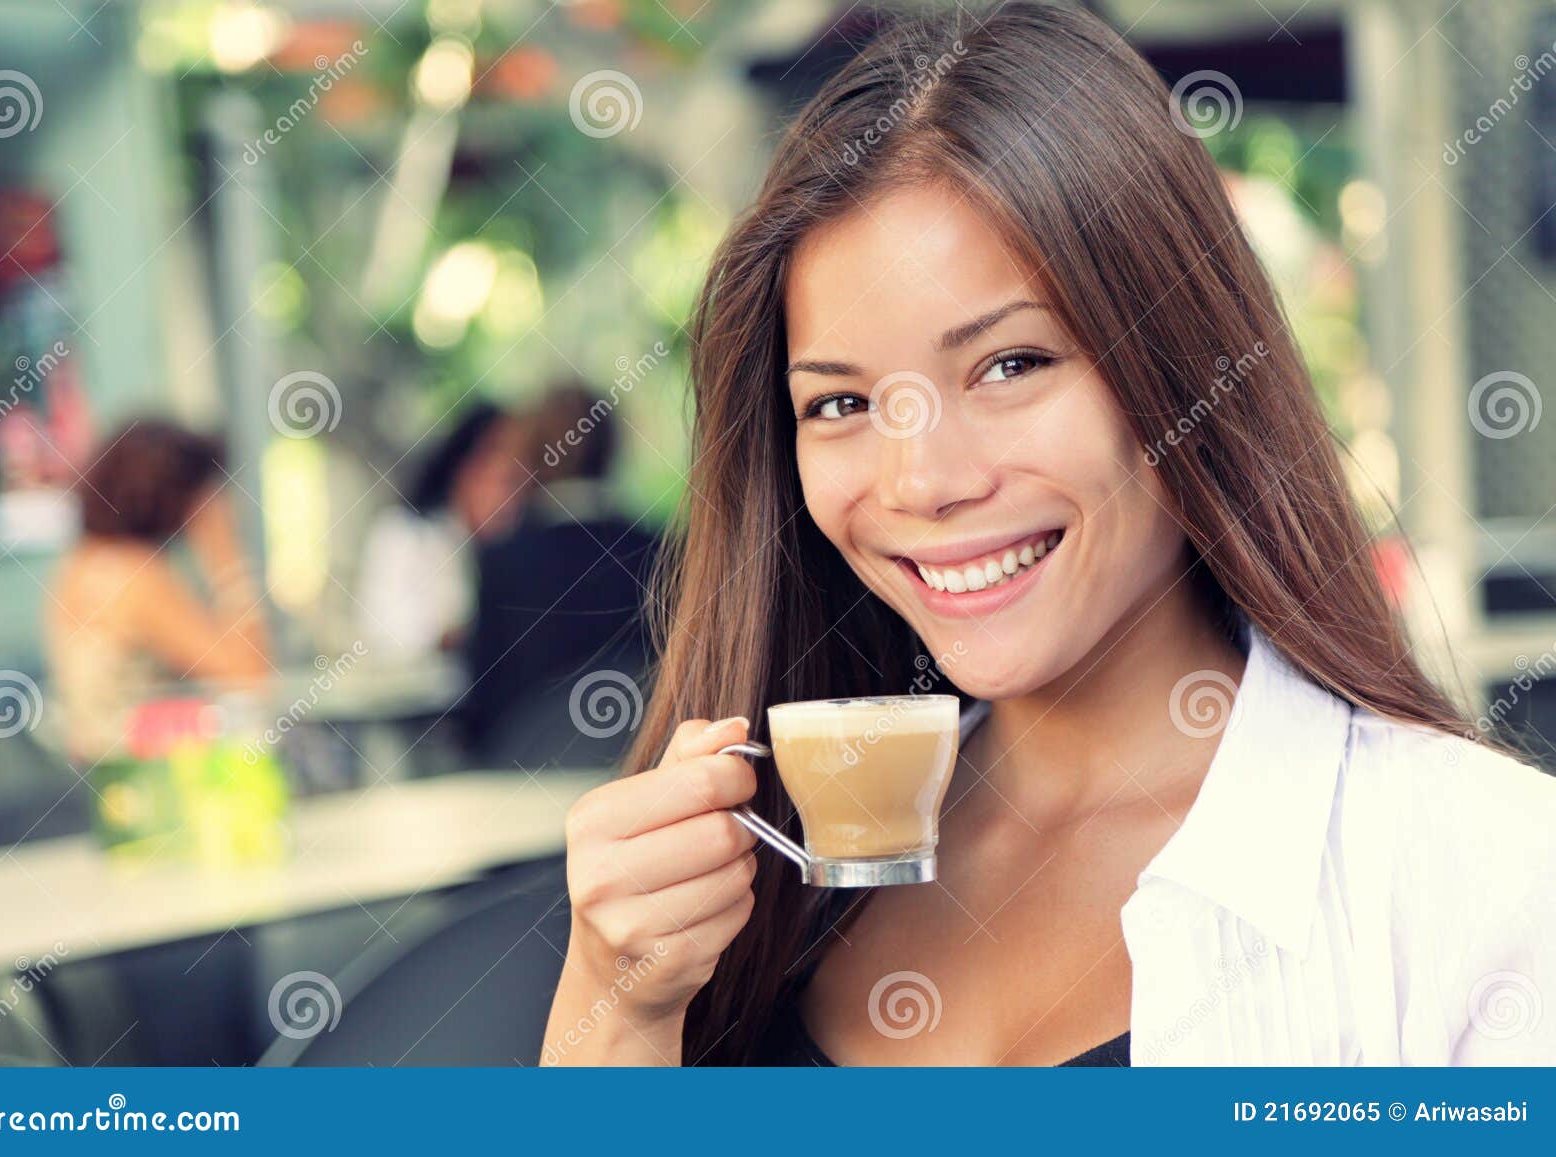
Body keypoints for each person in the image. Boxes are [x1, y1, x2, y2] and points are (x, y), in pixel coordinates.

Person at [543, 2, 1556, 1066]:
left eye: (1011, 365)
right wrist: (617, 1012)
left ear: (1184, 366)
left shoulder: (1483, 873)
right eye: (841, 402)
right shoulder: (753, 877)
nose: (923, 480)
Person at [45, 420, 269, 762]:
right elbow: (252, 676)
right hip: (147, 772)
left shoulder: (83, 561)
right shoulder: (132, 576)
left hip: (105, 770)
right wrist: (225, 553)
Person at [463, 385, 657, 764]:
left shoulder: (504, 560)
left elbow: (483, 696)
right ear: (611, 449)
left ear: (532, 455)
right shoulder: (658, 549)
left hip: (520, 774)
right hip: (640, 764)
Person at [356, 401, 528, 659]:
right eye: (505, 481)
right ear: (464, 469)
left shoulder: (516, 550)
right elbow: (382, 632)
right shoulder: (404, 533)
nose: (512, 500)